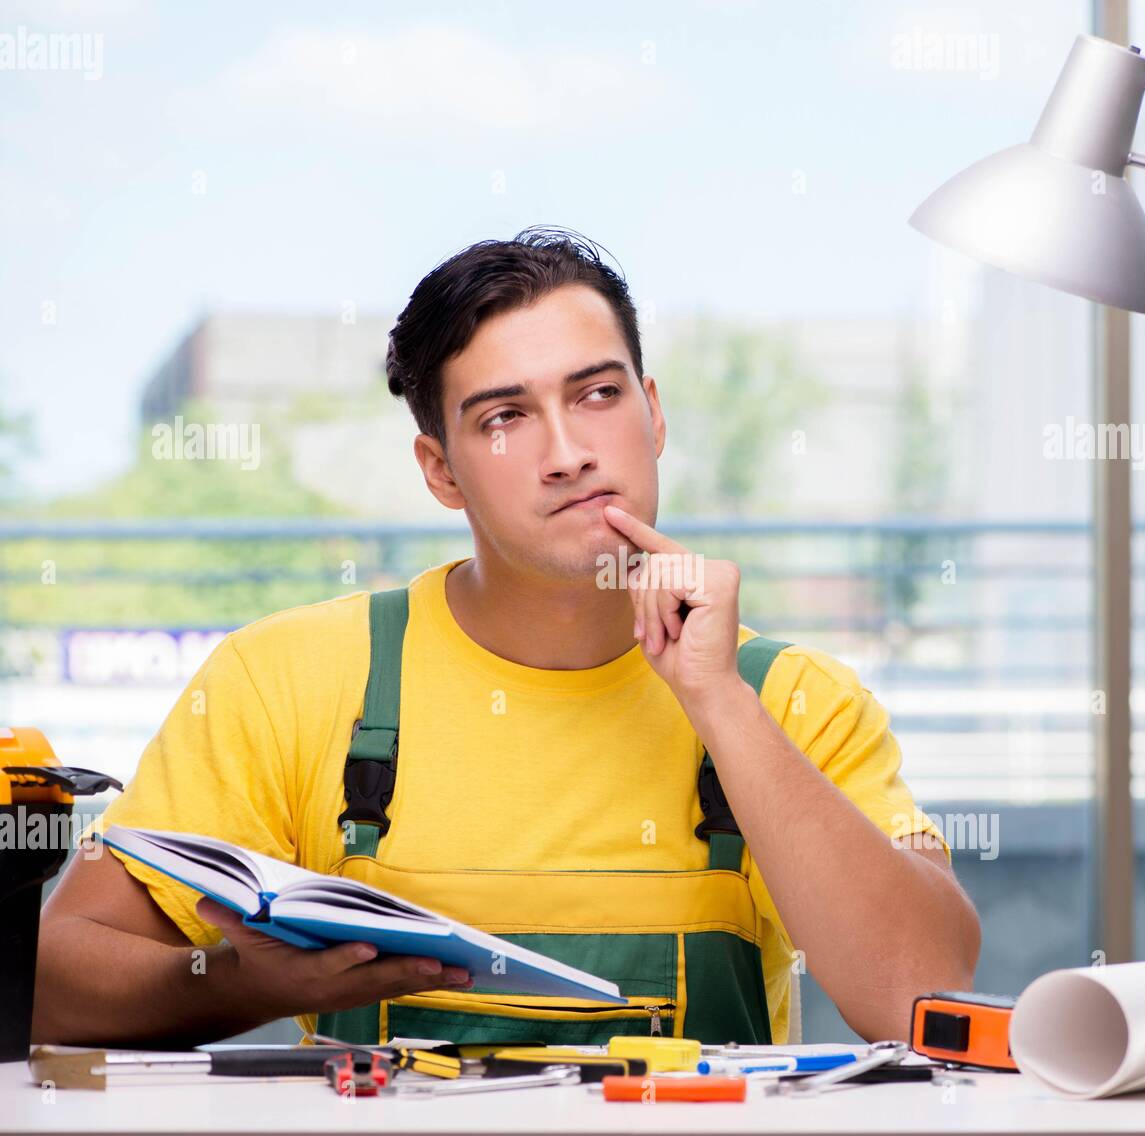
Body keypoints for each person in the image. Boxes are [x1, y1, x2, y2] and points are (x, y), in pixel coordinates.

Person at [34, 227, 979, 1050]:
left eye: (598, 395)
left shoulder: (790, 698)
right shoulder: (290, 681)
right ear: (439, 471)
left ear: (654, 412)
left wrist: (721, 703)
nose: (567, 451)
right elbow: (52, 978)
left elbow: (919, 996)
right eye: (505, 417)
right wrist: (243, 984)